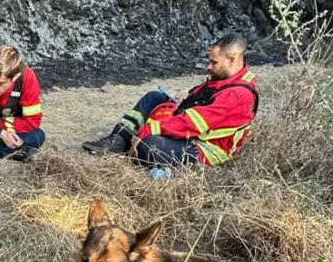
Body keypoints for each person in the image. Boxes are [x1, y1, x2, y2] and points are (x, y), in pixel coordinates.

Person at [82, 32, 258, 169]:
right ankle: (118, 141)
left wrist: (149, 130)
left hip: (205, 149)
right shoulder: (232, 78)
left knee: (148, 146)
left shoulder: (238, 96)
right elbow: (204, 102)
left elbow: (192, 124)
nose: (208, 67)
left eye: (214, 63)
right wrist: (184, 101)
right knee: (154, 97)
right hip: (196, 133)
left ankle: (133, 145)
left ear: (232, 60)